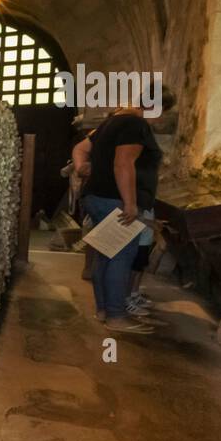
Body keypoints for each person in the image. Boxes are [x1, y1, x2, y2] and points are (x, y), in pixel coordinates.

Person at [71, 104, 163, 333]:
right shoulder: (135, 125)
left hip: (97, 196)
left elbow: (80, 149)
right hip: (115, 199)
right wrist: (130, 203)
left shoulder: (109, 123)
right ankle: (116, 316)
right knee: (121, 257)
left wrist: (82, 166)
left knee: (105, 256)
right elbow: (123, 163)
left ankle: (103, 310)